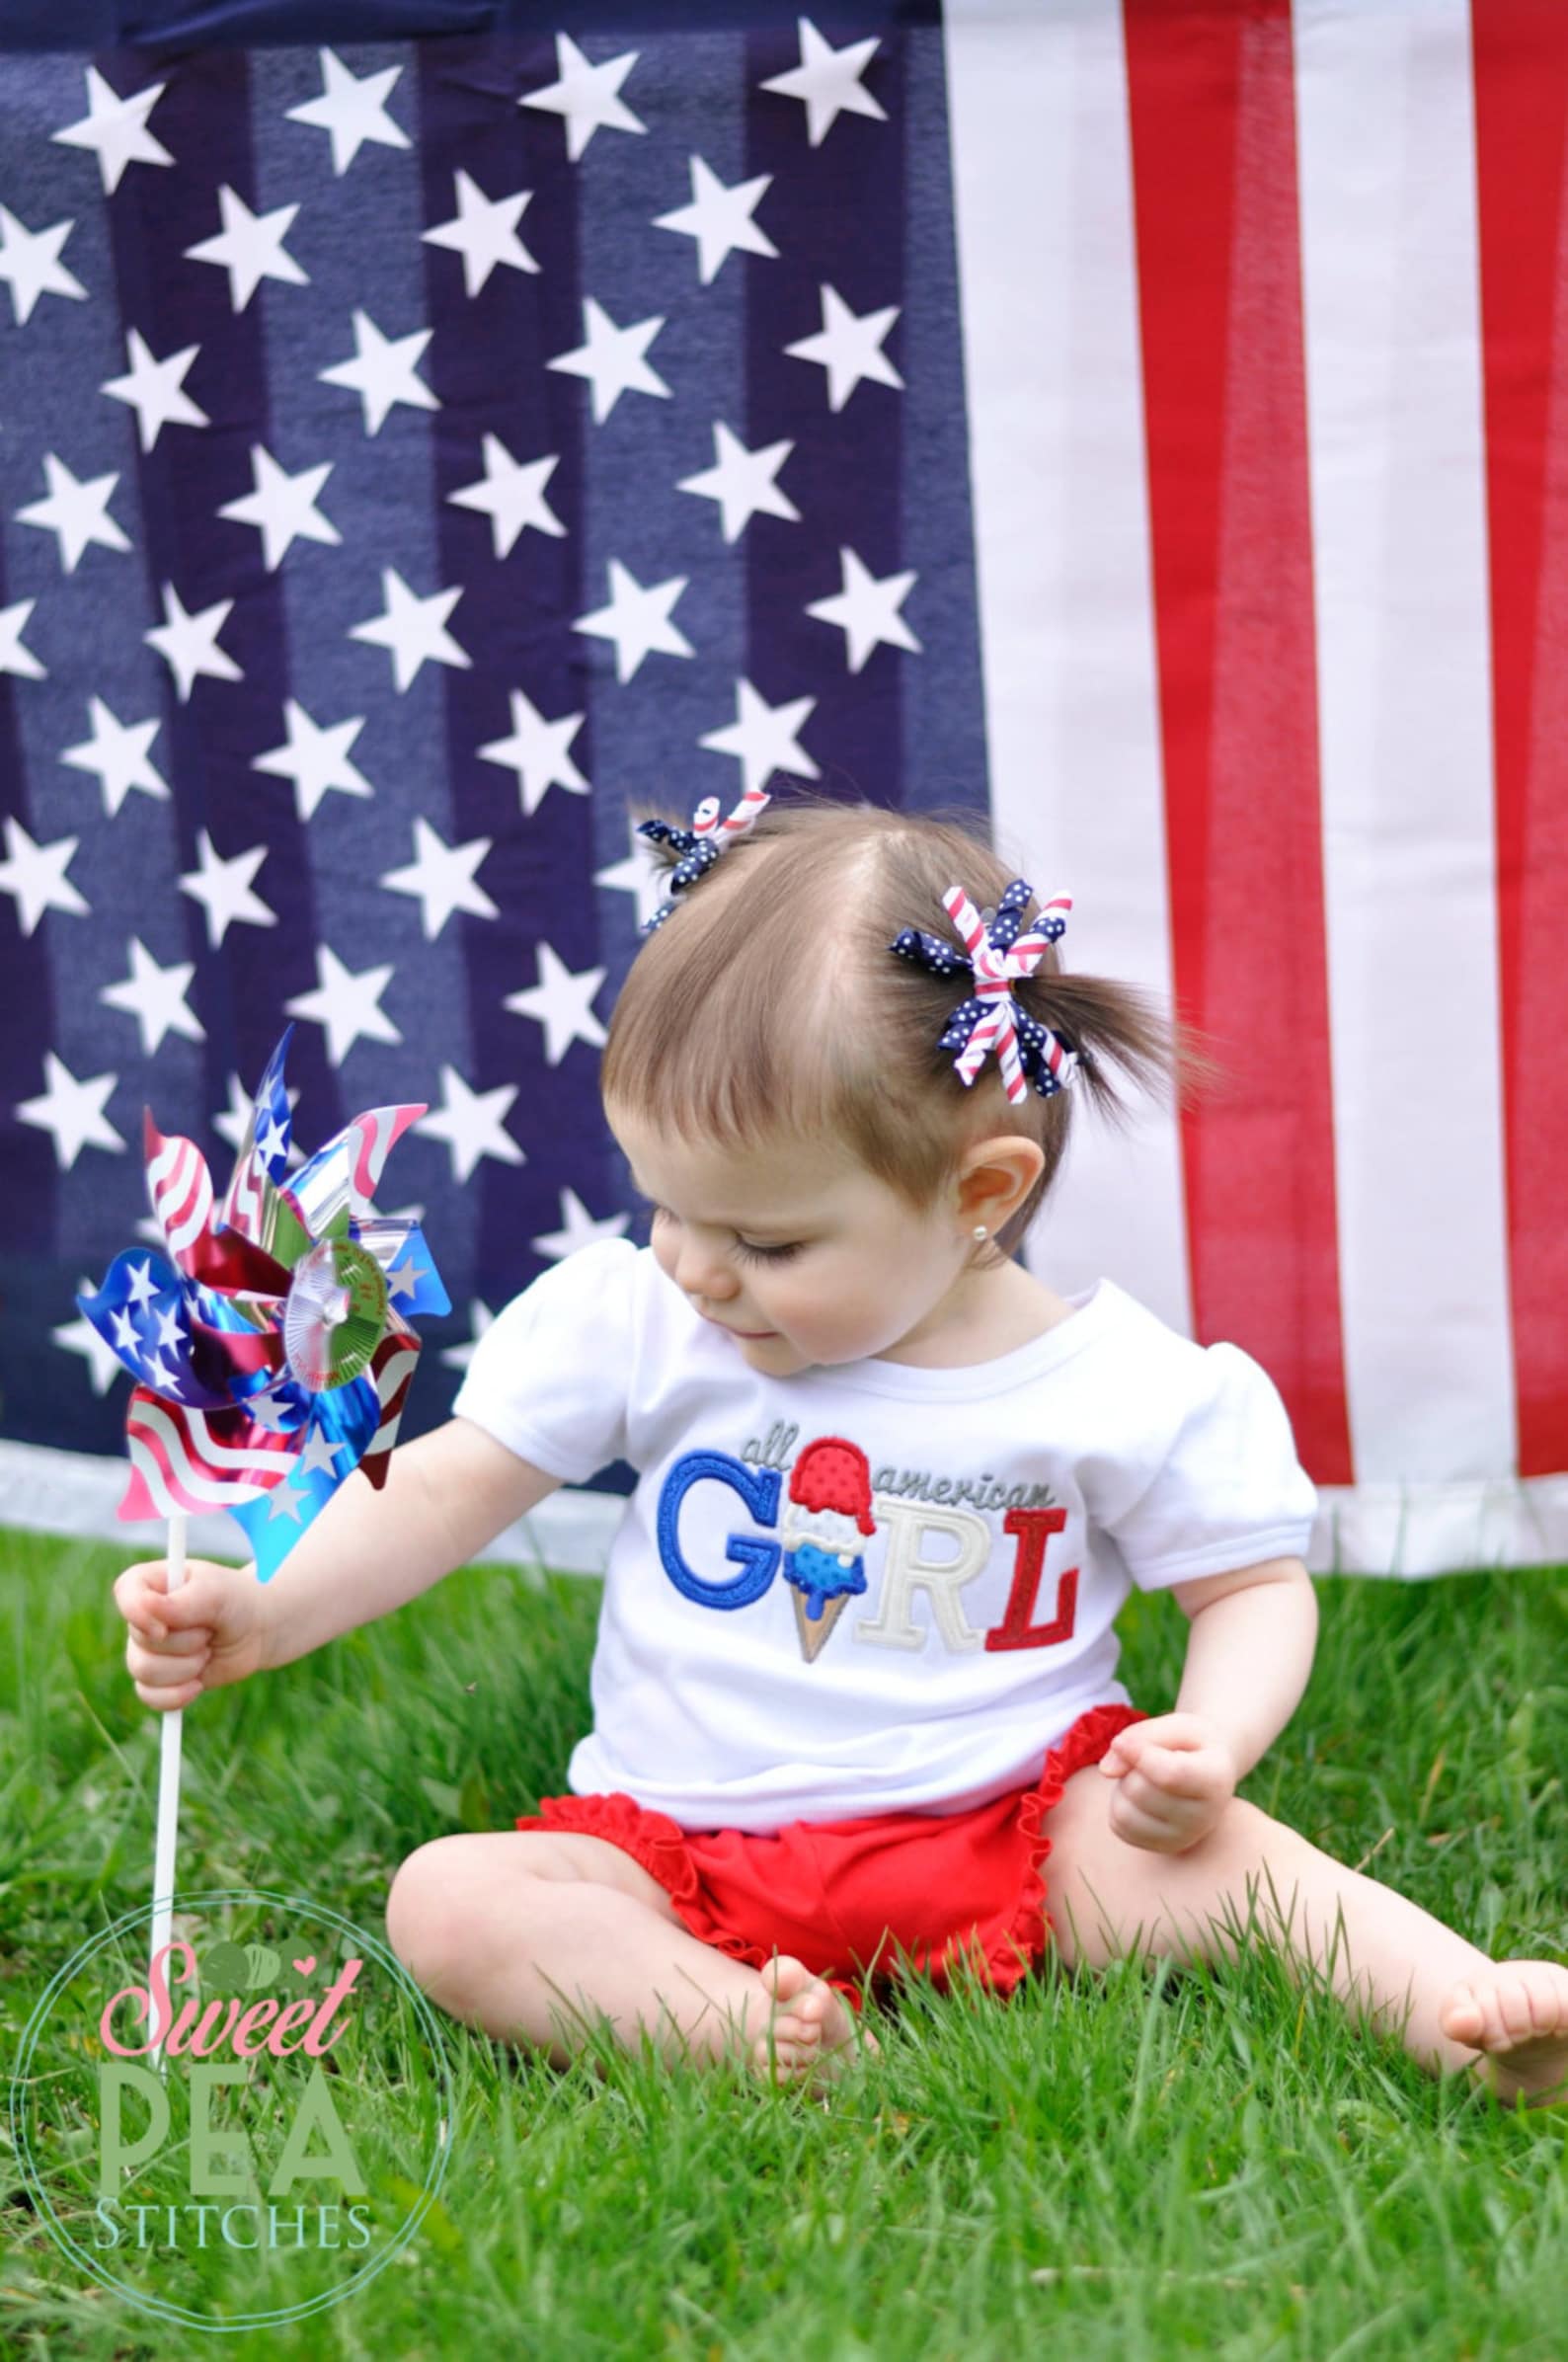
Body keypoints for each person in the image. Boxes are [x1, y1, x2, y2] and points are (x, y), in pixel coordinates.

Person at [114, 790, 1568, 2100]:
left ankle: (1459, 2012)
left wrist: (1212, 1739)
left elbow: (1246, 1587)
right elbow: (440, 1492)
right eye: (663, 1206)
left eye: (766, 1238)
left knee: (1223, 1862)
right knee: (453, 1900)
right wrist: (263, 1607)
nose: (692, 1267)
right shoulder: (642, 1320)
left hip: (1012, 1825)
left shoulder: (1112, 1383)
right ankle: (739, 2024)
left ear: (979, 1193)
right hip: (683, 1845)